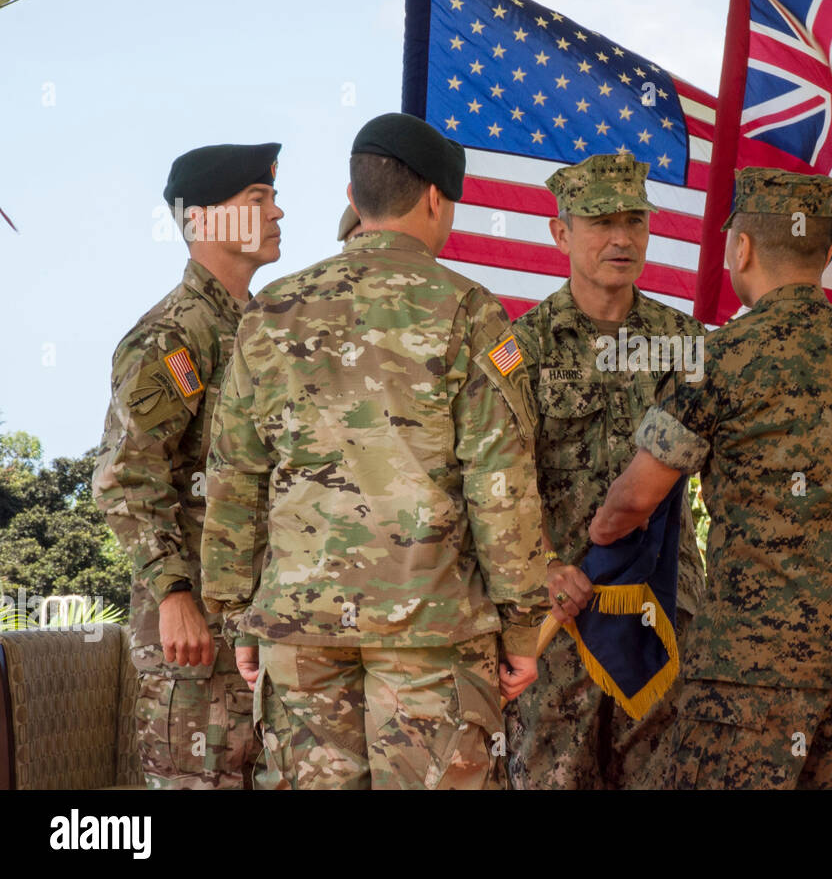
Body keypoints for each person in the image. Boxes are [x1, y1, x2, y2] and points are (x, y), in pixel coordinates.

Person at [200, 112, 548, 790]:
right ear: (436, 200)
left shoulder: (269, 311)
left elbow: (233, 478)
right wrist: (521, 627)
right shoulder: (468, 310)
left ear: (353, 199)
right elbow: (500, 484)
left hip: (298, 631)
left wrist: (238, 615)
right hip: (432, 631)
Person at [589, 166, 832, 789]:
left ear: (742, 247)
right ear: (826, 252)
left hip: (749, 672)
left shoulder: (722, 357)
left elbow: (636, 501)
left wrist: (597, 534)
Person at [506, 152, 707, 790]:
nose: (622, 238)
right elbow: (494, 477)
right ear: (561, 233)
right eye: (600, 221)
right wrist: (541, 564)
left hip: (660, 610)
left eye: (635, 220)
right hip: (557, 618)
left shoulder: (685, 343)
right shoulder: (523, 346)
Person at [92, 141, 284, 789]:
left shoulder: (265, 333)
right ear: (205, 222)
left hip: (266, 635)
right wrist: (173, 592)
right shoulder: (174, 336)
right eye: (259, 200)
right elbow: (125, 476)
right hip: (195, 644)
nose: (279, 212)